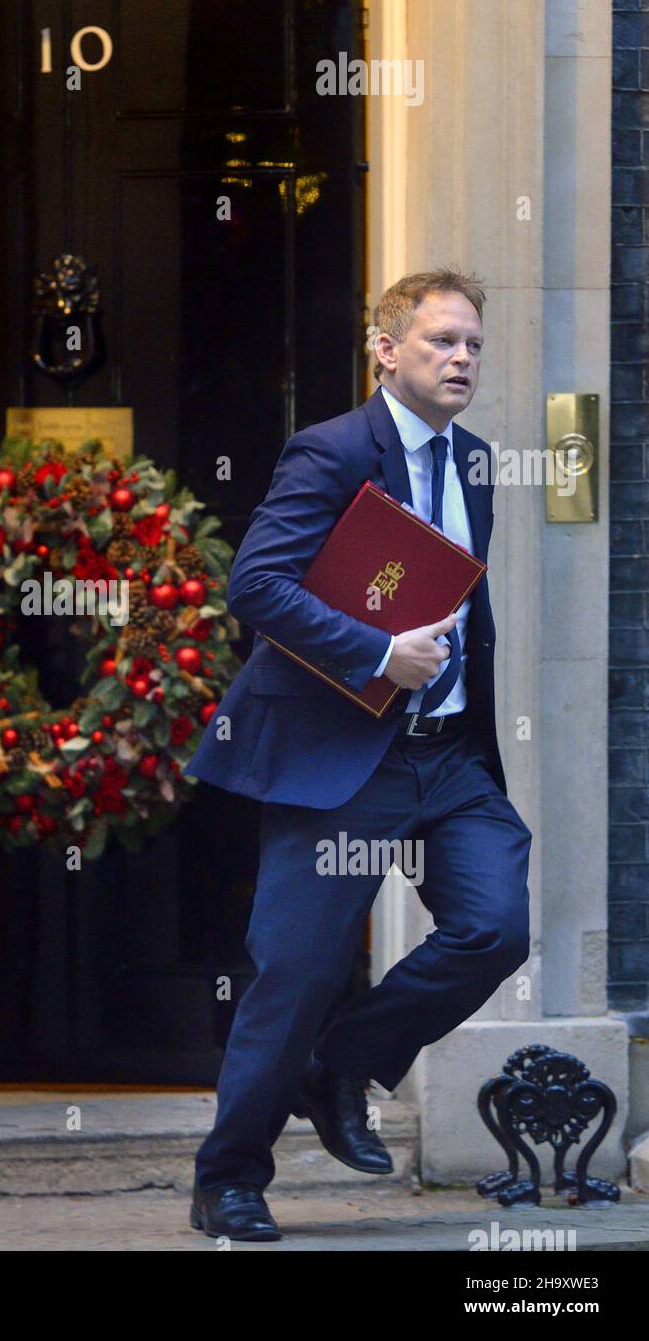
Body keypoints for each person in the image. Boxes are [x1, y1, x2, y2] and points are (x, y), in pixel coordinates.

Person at [183, 268, 533, 1242]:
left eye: (472, 344)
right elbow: (257, 585)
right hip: (343, 754)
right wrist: (379, 652)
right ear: (387, 350)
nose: (462, 358)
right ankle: (230, 1180)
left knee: (495, 925)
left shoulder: (476, 463)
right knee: (292, 969)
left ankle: (340, 1063)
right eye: (441, 342)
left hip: (449, 756)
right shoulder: (331, 451)